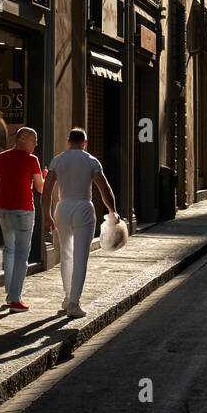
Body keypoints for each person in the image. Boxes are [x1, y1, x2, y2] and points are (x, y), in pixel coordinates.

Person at [41, 127, 118, 319]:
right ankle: (74, 303)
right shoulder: (91, 161)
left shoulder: (58, 160)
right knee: (80, 257)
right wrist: (112, 210)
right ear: (85, 143)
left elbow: (47, 190)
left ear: (68, 141)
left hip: (63, 208)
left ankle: (68, 297)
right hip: (83, 207)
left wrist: (46, 215)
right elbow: (104, 189)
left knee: (66, 255)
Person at [0, 124, 44, 311]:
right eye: (33, 140)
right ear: (21, 139)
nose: (36, 144)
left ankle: (10, 293)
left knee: (10, 250)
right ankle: (15, 299)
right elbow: (40, 188)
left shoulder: (0, 158)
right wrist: (45, 178)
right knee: (22, 254)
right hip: (24, 211)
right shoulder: (32, 160)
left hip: (3, 211)